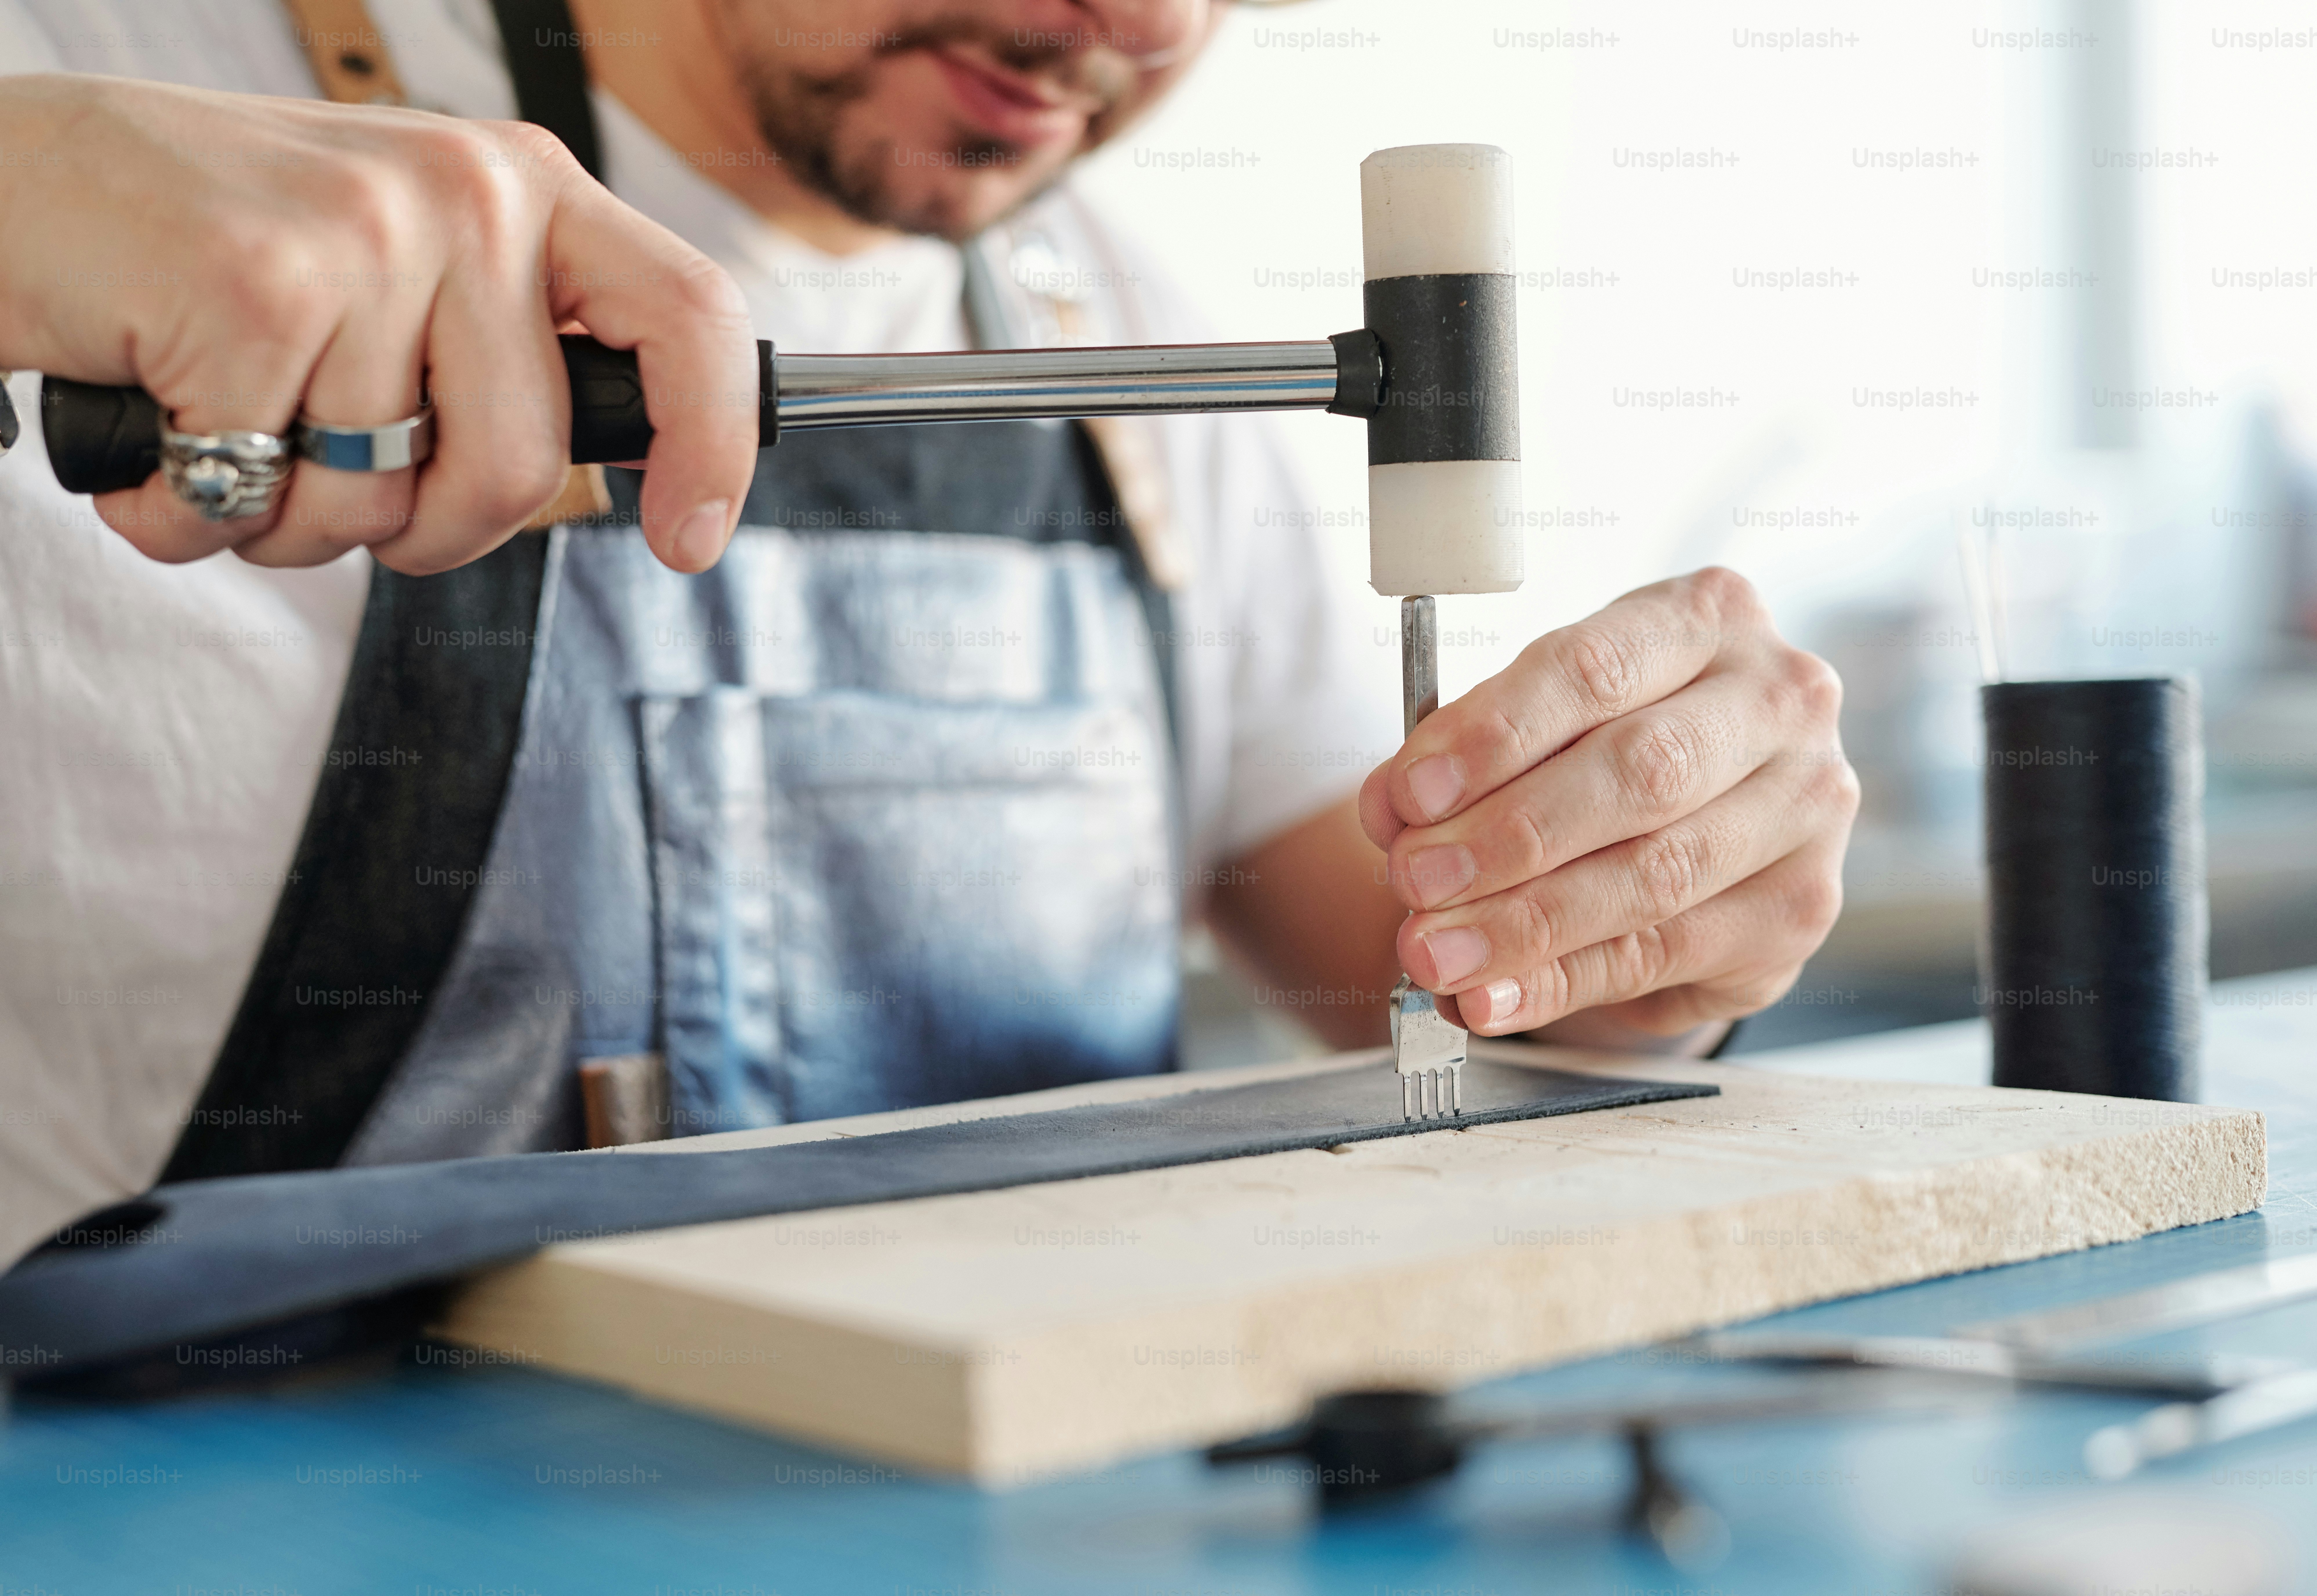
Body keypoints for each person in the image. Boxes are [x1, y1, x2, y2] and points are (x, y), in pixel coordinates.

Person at [0, 0, 1858, 1266]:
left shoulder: (1115, 327)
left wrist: (1644, 896)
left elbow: (1423, 968)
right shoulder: (98, 96)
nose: (1137, 22)